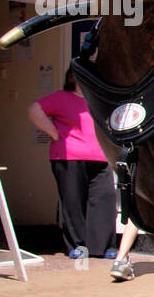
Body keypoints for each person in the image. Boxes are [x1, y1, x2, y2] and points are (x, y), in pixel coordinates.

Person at [28, 71, 118, 259]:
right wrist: (52, 132)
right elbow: (34, 109)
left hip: (101, 158)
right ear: (73, 78)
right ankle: (78, 245)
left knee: (105, 198)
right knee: (73, 201)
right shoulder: (62, 98)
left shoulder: (99, 100)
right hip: (68, 157)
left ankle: (103, 246)